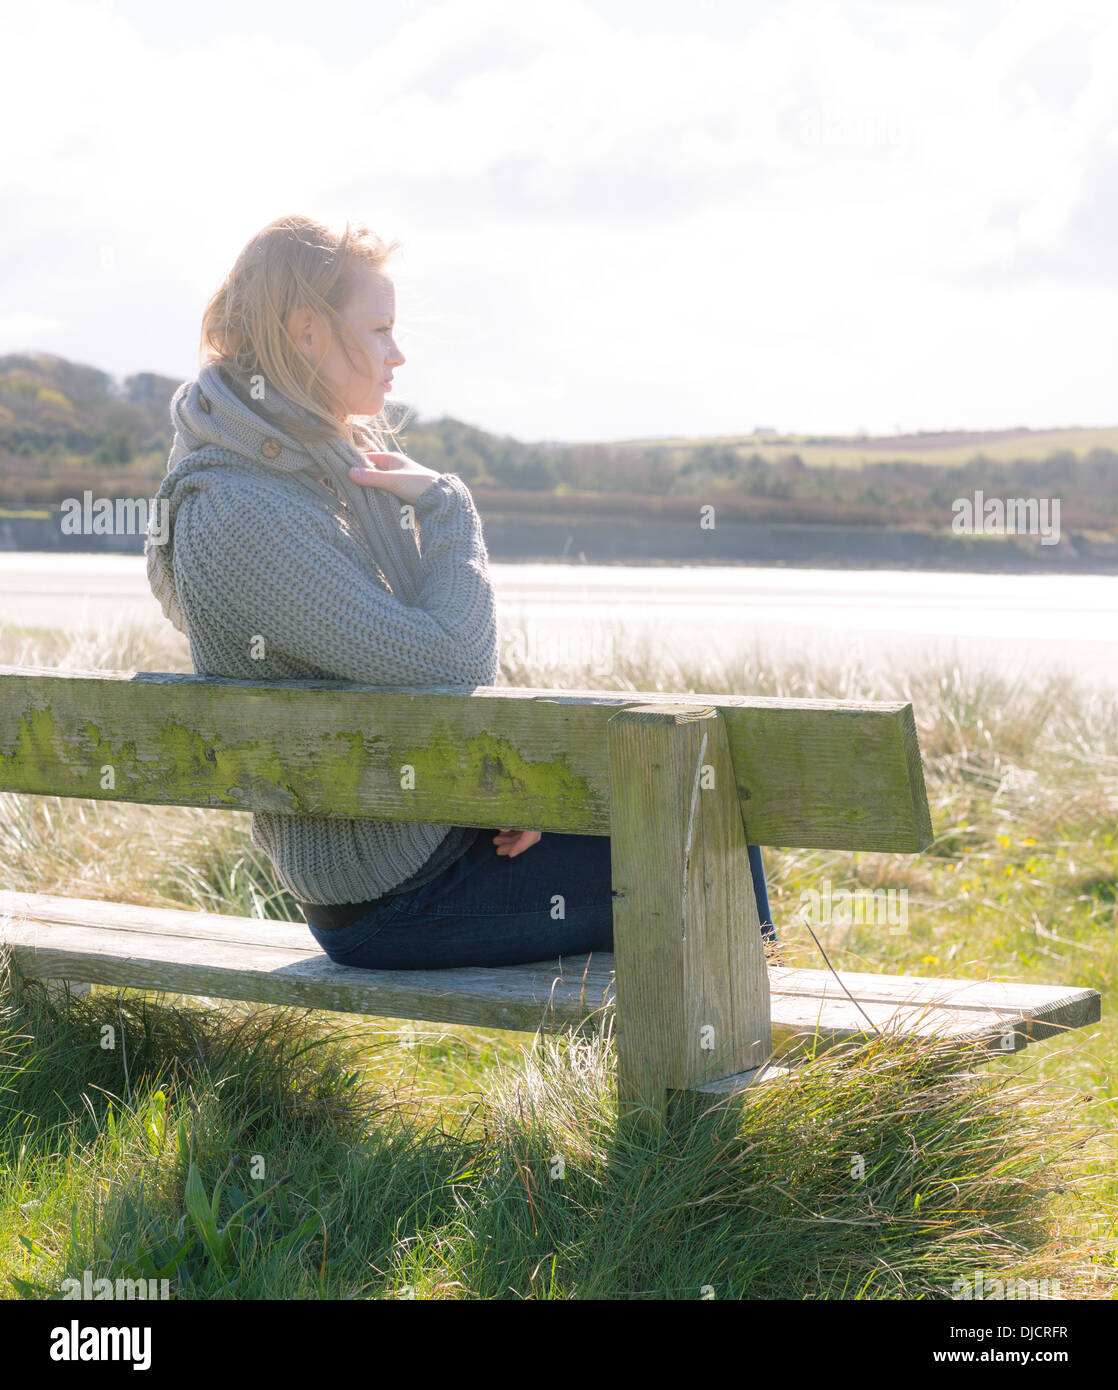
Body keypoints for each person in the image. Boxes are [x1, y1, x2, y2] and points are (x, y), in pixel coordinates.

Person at [146, 213, 777, 970]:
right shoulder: (248, 512)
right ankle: (729, 1077)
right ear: (306, 332)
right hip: (398, 895)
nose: (397, 354)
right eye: (378, 329)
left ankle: (715, 1061)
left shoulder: (297, 473)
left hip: (426, 846)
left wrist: (517, 794)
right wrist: (449, 505)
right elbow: (452, 658)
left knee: (694, 817)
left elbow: (408, 674)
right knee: (716, 845)